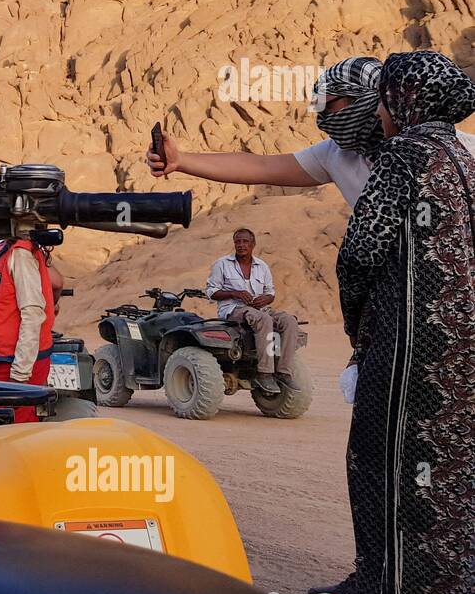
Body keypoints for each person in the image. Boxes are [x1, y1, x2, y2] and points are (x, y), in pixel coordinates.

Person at [330, 51, 475, 594]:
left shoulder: (404, 155)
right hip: (460, 356)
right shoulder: (460, 158)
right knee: (447, 476)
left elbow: (361, 252)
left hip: (409, 351)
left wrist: (355, 325)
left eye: (386, 98)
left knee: (378, 463)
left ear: (403, 100)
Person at [146, 56, 475, 207]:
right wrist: (182, 160)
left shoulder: (459, 153)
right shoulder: (338, 156)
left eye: (329, 108)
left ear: (367, 99)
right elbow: (260, 167)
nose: (323, 122)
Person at [205, 228, 301, 395]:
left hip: (260, 308)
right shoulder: (222, 264)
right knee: (264, 320)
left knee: (289, 321)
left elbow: (270, 292)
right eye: (238, 242)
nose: (241, 245)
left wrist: (266, 298)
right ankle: (265, 373)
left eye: (245, 242)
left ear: (253, 244)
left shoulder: (262, 266)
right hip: (233, 310)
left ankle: (284, 372)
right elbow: (211, 292)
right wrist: (234, 293)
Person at [0, 232, 56, 423]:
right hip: (4, 360)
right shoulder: (6, 251)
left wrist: (20, 376)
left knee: (8, 433)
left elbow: (32, 314)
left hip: (16, 364)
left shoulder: (20, 254)